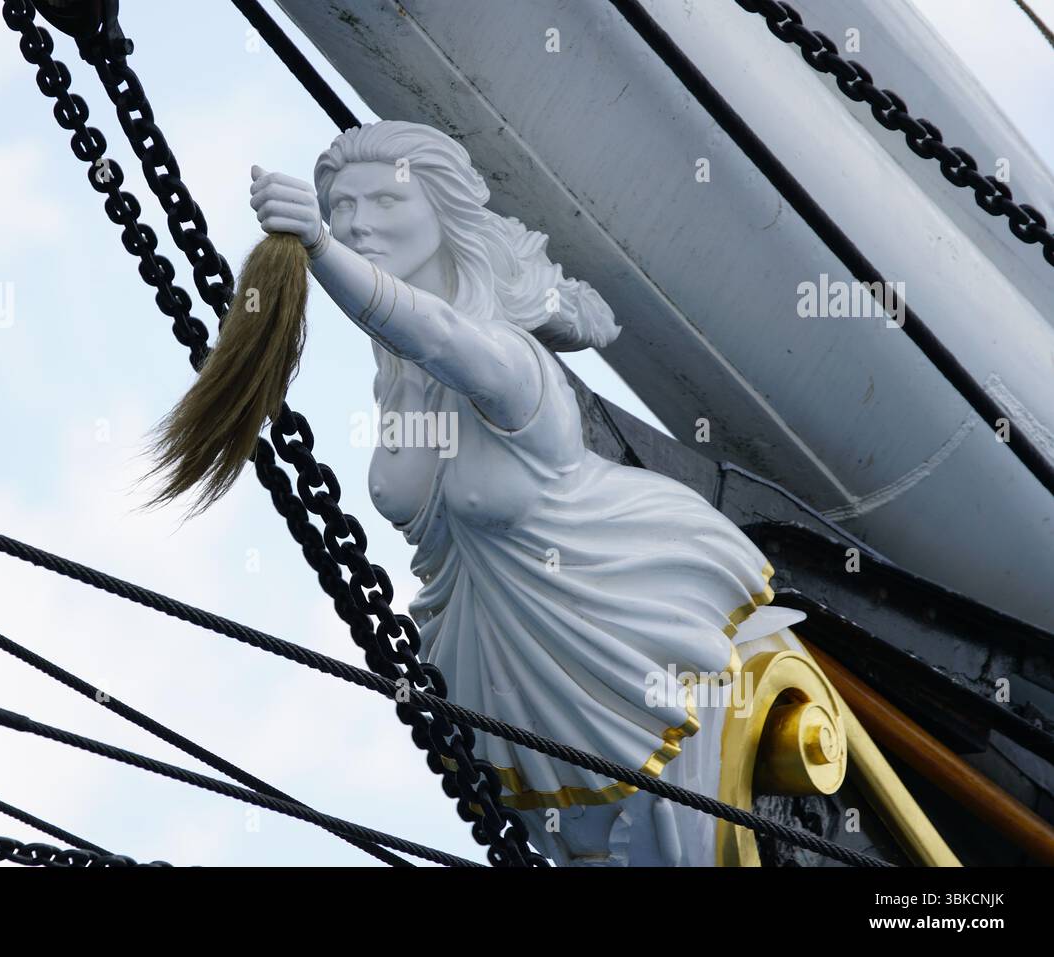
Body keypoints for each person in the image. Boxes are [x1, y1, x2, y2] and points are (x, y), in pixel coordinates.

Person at [249, 120, 775, 865]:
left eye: (384, 201)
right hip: (498, 684)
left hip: (623, 631)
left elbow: (435, 334)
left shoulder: (507, 359)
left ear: (443, 213)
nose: (358, 222)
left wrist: (322, 252)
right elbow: (414, 345)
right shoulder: (400, 390)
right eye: (340, 209)